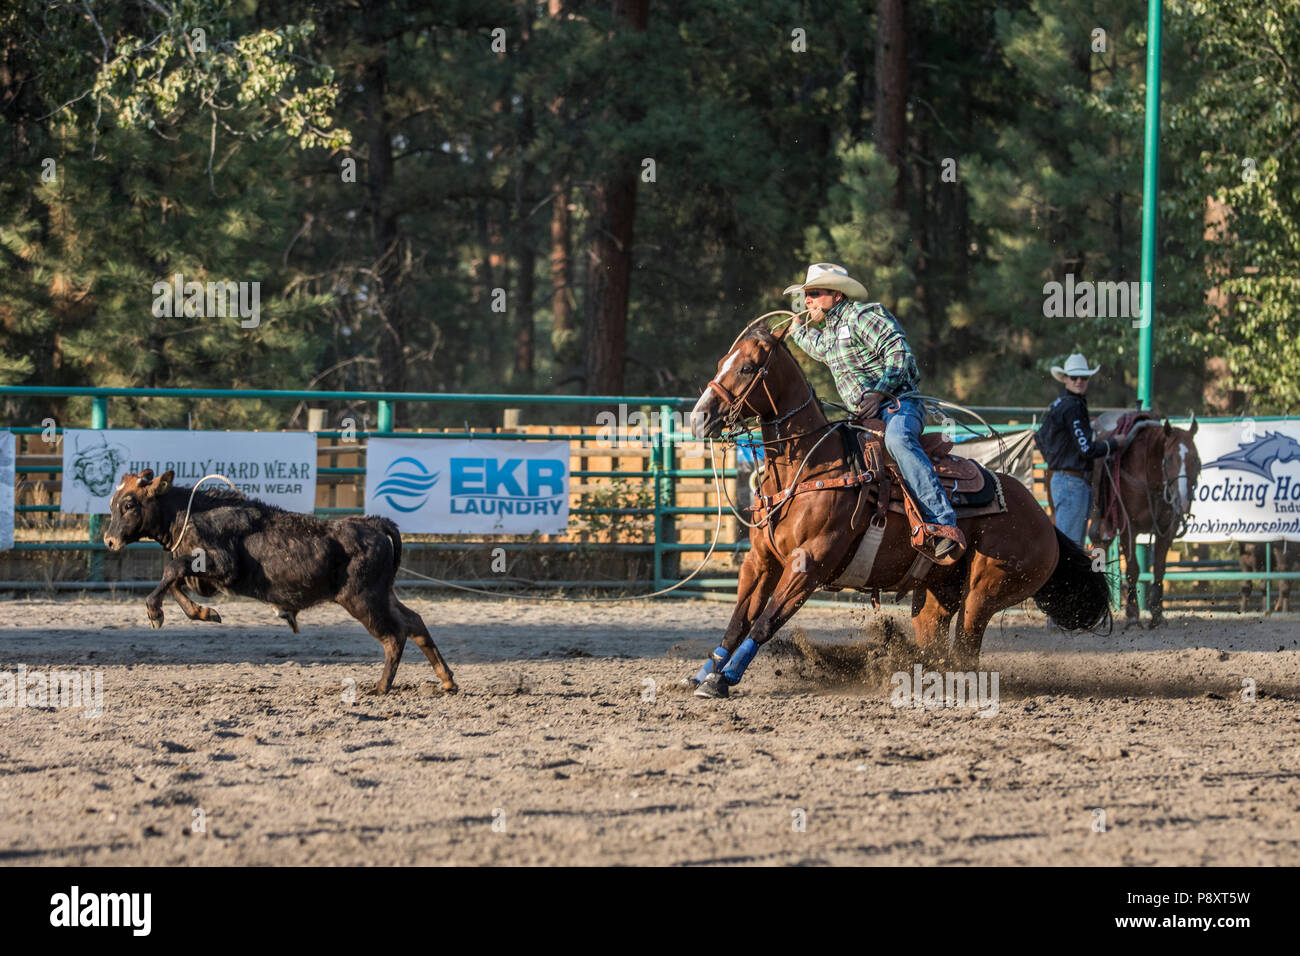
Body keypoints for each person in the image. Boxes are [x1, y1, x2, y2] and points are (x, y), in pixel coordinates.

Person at [785, 262, 964, 561]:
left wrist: (879, 391)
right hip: (864, 418)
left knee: (898, 440)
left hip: (899, 405)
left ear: (837, 295)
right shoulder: (829, 334)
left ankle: (941, 522)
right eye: (807, 295)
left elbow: (900, 354)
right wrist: (797, 330)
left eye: (814, 293)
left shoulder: (862, 316)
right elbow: (819, 347)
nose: (807, 301)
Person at [1034, 352, 1152, 547]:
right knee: (1070, 549)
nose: (1079, 381)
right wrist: (1115, 443)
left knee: (1069, 547)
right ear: (1066, 379)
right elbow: (1087, 449)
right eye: (1075, 377)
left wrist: (1070, 444)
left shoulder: (1061, 405)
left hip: (1064, 480)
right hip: (1073, 482)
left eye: (1084, 377)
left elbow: (1041, 438)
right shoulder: (1073, 407)